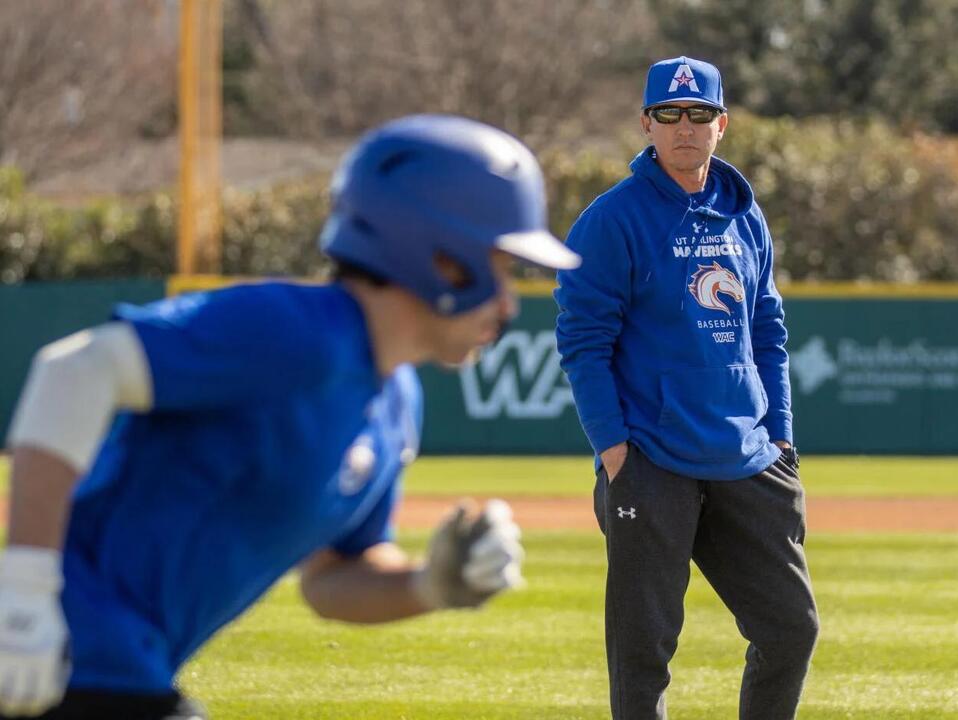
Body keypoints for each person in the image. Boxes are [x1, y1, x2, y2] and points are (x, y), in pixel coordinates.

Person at [0, 114, 581, 719]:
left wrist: (429, 584)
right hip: (53, 654)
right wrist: (23, 597)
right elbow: (74, 372)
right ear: (443, 260)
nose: (510, 302)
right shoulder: (296, 330)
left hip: (113, 671)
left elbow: (331, 579)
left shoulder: (394, 402)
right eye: (503, 267)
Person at [554, 57, 819, 719]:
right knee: (644, 658)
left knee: (791, 628)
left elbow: (768, 326)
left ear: (721, 124)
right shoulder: (613, 219)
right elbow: (583, 342)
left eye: (699, 114)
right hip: (651, 460)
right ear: (646, 123)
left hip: (747, 458)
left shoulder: (743, 214)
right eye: (668, 115)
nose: (684, 127)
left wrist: (780, 432)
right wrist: (616, 452)